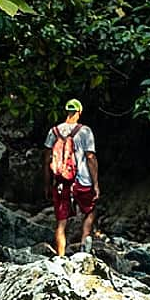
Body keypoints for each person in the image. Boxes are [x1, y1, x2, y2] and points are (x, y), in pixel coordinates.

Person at [43, 98, 99, 257]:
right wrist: (95, 184)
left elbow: (46, 160)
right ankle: (84, 247)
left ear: (67, 112)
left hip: (61, 182)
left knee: (61, 222)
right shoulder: (85, 131)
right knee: (90, 212)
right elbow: (90, 158)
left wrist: (47, 185)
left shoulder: (53, 132)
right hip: (83, 181)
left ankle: (60, 258)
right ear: (79, 112)